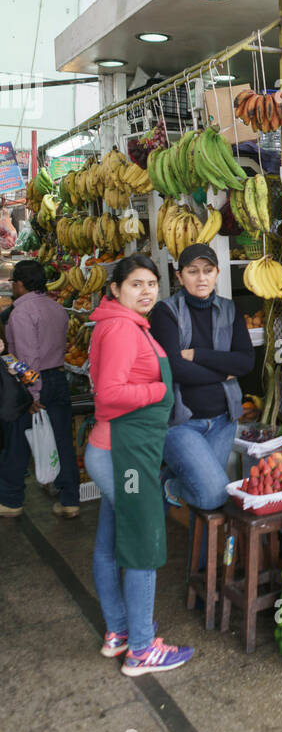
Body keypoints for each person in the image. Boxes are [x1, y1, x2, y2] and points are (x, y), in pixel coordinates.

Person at [85, 255, 194, 676]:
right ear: (116, 289)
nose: (146, 291)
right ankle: (142, 650)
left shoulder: (126, 325)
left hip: (116, 451)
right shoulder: (120, 330)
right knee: (143, 544)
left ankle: (119, 631)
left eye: (151, 283)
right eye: (136, 284)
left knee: (110, 541)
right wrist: (155, 392)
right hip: (122, 456)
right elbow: (109, 396)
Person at [149, 244, 254, 515]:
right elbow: (175, 369)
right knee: (212, 494)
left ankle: (202, 559)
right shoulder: (165, 312)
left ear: (218, 273)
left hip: (222, 421)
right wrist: (224, 371)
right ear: (179, 276)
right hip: (181, 424)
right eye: (193, 271)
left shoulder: (230, 310)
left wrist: (197, 354)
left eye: (208, 271)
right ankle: (168, 485)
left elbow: (245, 362)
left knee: (206, 503)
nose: (201, 278)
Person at [0, 260, 81, 519]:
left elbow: (27, 359)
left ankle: (11, 501)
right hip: (58, 378)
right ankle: (70, 501)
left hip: (34, 382)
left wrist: (32, 394)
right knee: (62, 441)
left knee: (17, 443)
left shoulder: (21, 313)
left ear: (20, 284)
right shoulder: (56, 308)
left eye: (13, 282)